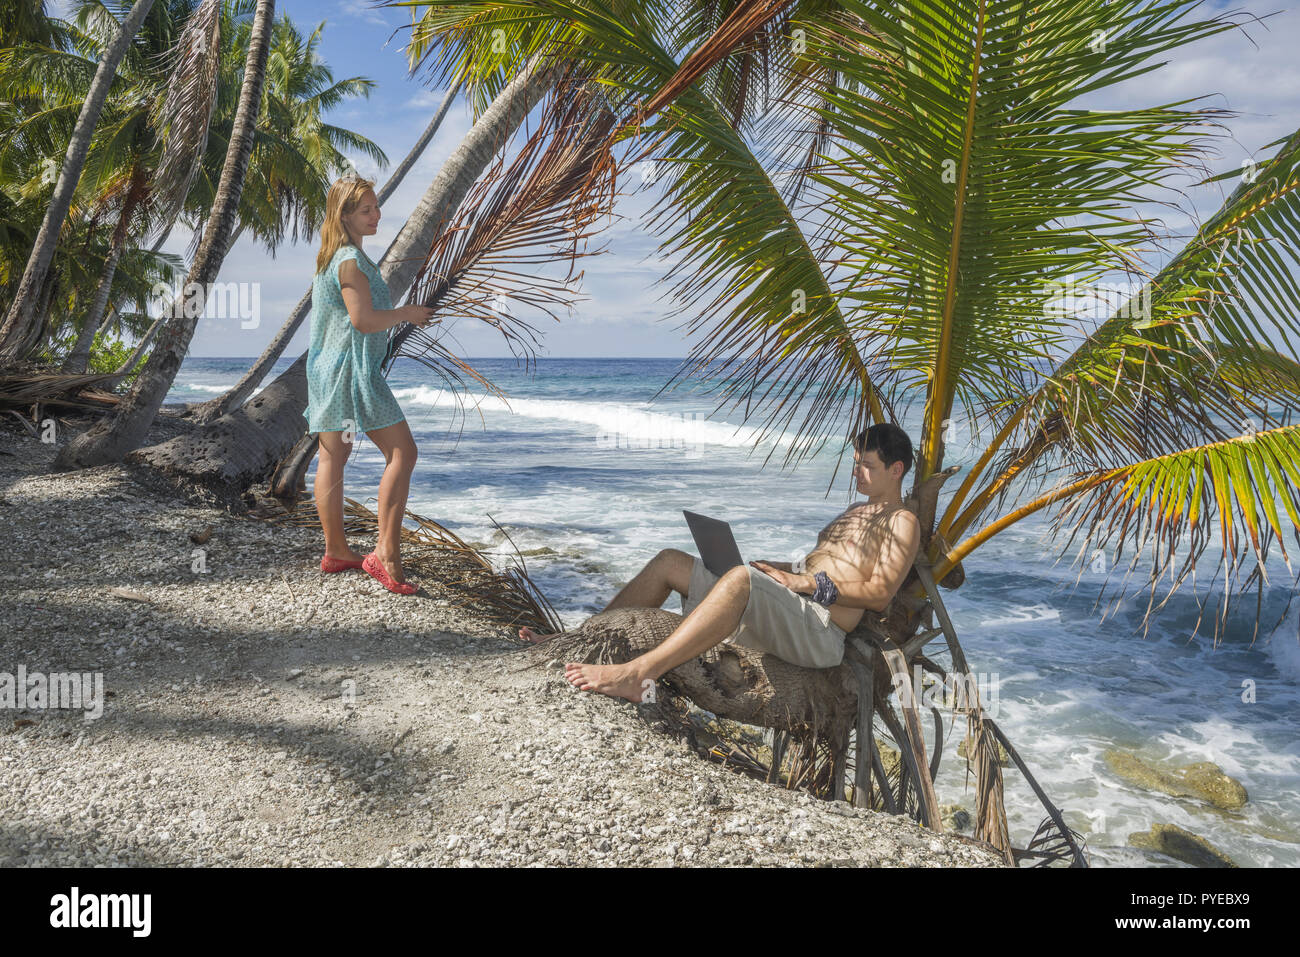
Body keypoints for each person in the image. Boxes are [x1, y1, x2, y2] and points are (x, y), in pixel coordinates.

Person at [521, 423, 922, 702]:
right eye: (856, 463)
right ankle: (578, 639)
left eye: (867, 466)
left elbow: (881, 593)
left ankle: (639, 674)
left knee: (741, 579)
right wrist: (778, 567)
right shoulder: (853, 512)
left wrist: (807, 585)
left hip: (821, 631)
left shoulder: (902, 522)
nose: (858, 472)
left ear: (896, 469)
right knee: (670, 562)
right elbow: (818, 564)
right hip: (793, 607)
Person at [305, 175, 436, 595]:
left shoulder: (333, 258)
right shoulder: (348, 261)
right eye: (366, 210)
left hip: (328, 369)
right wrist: (406, 313)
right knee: (403, 452)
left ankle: (337, 551)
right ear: (343, 215)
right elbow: (362, 320)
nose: (376, 215)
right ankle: (386, 553)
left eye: (376, 207)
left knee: (334, 457)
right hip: (351, 373)